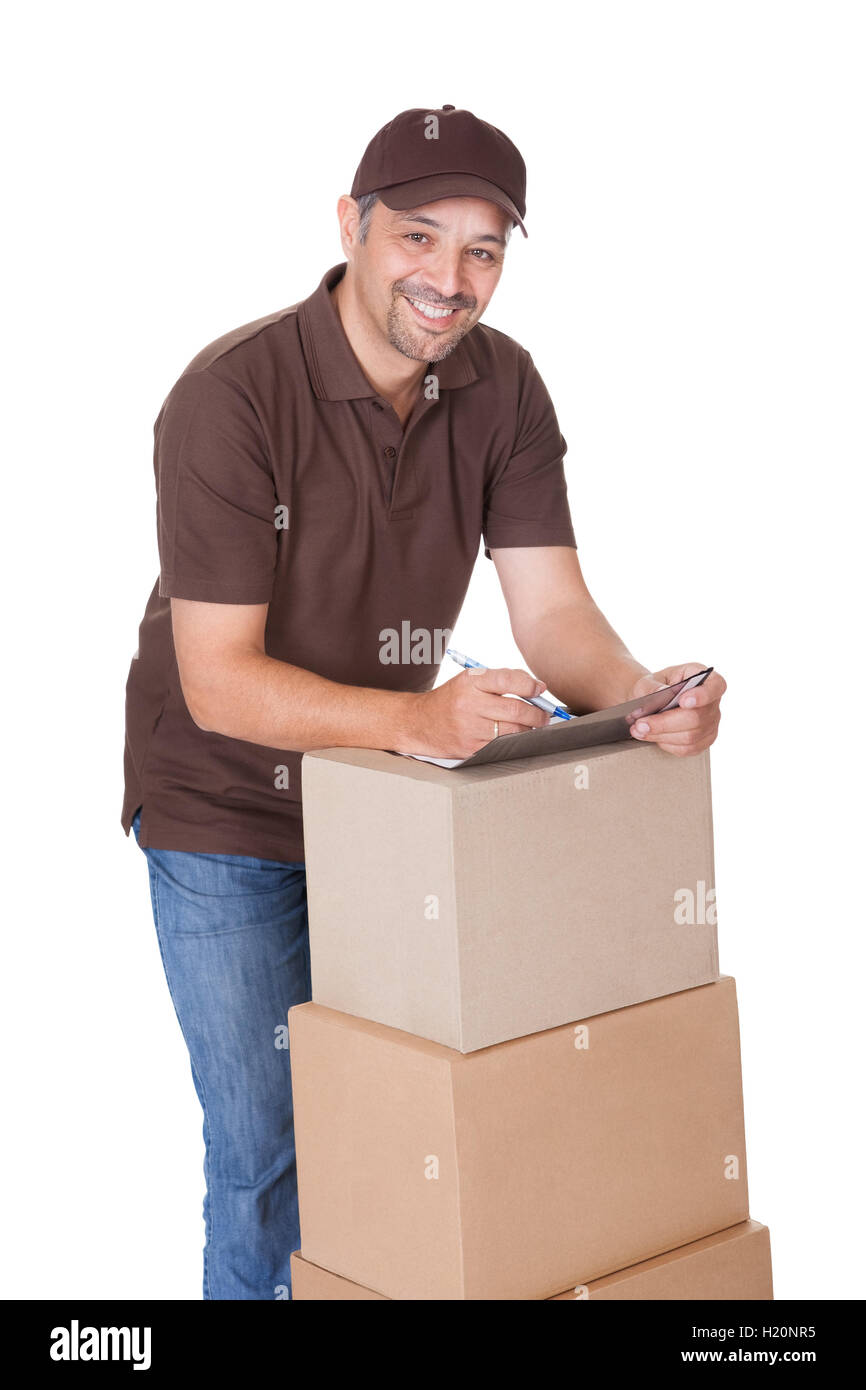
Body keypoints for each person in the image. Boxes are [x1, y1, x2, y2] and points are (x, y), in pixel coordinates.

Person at [121, 104, 726, 1300]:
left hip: (385, 813)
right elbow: (218, 680)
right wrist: (415, 720)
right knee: (264, 1158)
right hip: (225, 812)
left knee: (404, 1121)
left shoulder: (501, 389)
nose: (448, 280)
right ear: (350, 226)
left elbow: (552, 615)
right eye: (417, 237)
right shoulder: (233, 396)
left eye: (483, 249)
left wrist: (643, 695)